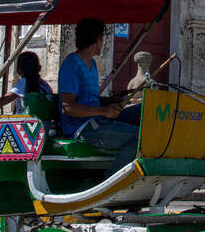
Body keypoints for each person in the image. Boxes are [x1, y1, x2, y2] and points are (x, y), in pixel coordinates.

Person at [57, 18, 142, 166]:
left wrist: (110, 101)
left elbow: (90, 99)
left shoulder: (93, 64)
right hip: (83, 128)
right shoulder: (71, 65)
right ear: (97, 39)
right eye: (102, 38)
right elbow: (68, 107)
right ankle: (113, 180)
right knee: (140, 137)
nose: (102, 42)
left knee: (143, 110)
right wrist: (104, 111)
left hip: (98, 120)